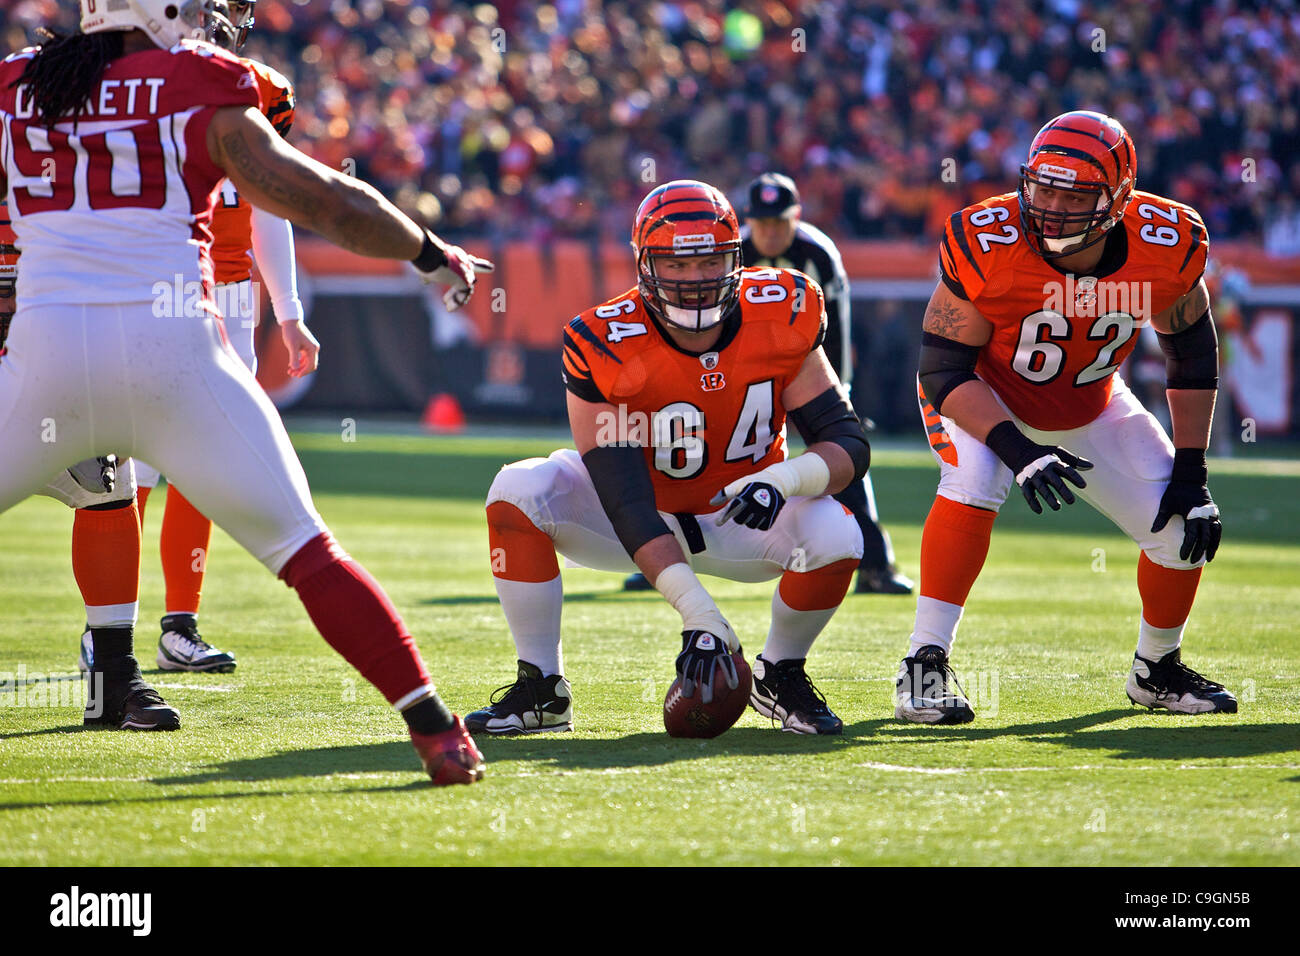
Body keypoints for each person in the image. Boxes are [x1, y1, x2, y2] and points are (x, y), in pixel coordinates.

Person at [0, 0, 493, 784]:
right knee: (308, 553)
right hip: (175, 357)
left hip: (45, 359)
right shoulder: (198, 79)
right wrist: (430, 252)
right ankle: (436, 731)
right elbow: (325, 199)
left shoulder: (18, 84)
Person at [469, 180, 868, 736]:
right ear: (644, 264)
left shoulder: (783, 309)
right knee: (519, 491)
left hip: (743, 513)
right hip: (636, 518)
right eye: (675, 265)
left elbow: (847, 443)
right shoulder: (604, 338)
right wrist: (698, 614)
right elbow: (624, 497)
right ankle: (541, 687)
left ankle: (779, 674)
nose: (695, 279)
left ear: (736, 257)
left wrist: (783, 478)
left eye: (708, 260)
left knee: (840, 537)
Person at [897, 110, 1235, 724]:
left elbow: (1190, 352)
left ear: (1118, 200)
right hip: (984, 395)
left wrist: (1193, 469)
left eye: (1073, 194)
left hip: (1092, 400)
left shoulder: (1167, 246)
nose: (1051, 207)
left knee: (1181, 528)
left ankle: (1155, 670)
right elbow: (943, 370)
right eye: (1043, 187)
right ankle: (923, 665)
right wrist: (1020, 453)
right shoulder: (988, 242)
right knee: (974, 482)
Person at [75, 0, 316, 676]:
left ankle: (179, 623)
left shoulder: (261, 87)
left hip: (230, 297)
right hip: (154, 287)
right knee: (130, 462)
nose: (224, 17)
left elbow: (271, 199)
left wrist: (288, 309)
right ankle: (107, 629)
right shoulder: (129, 78)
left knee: (200, 463)